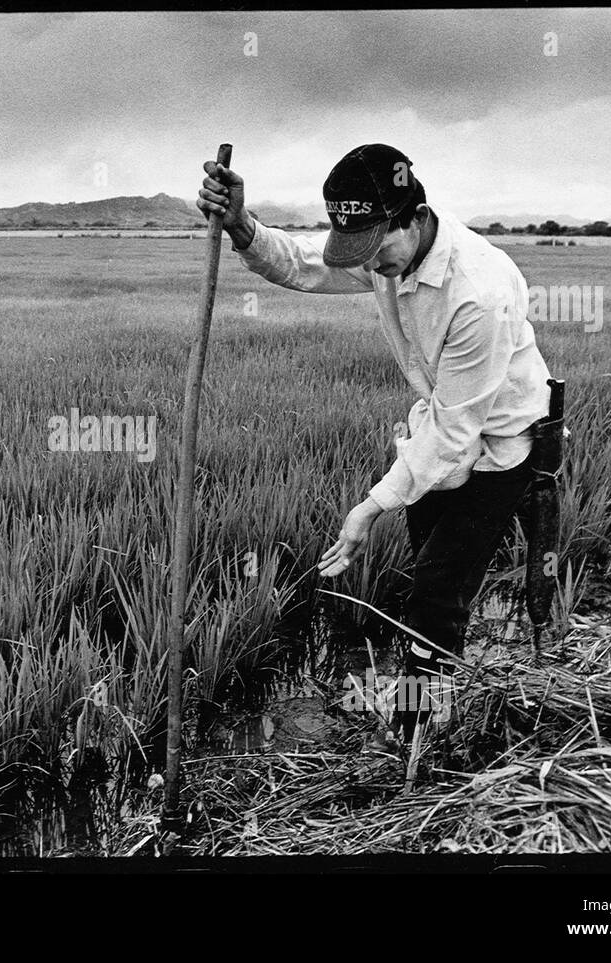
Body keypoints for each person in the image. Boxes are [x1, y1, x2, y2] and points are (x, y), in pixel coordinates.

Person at [197, 144, 553, 741]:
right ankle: (425, 706)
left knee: (435, 597)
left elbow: (456, 430)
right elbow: (305, 264)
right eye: (357, 248)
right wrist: (241, 226)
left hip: (502, 446)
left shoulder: (479, 292)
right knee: (426, 582)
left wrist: (368, 507)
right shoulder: (389, 254)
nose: (370, 264)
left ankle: (415, 733)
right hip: (437, 435)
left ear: (416, 219)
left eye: (375, 247)